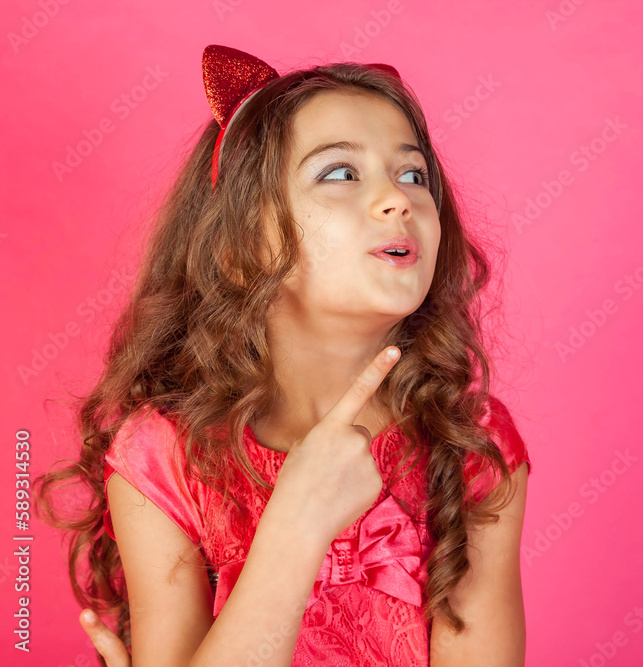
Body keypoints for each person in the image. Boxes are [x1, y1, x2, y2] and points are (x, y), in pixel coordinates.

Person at [36, 44, 532, 667]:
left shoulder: (471, 444)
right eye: (340, 174)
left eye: (413, 175)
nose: (399, 199)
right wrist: (295, 527)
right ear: (244, 242)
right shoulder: (161, 456)